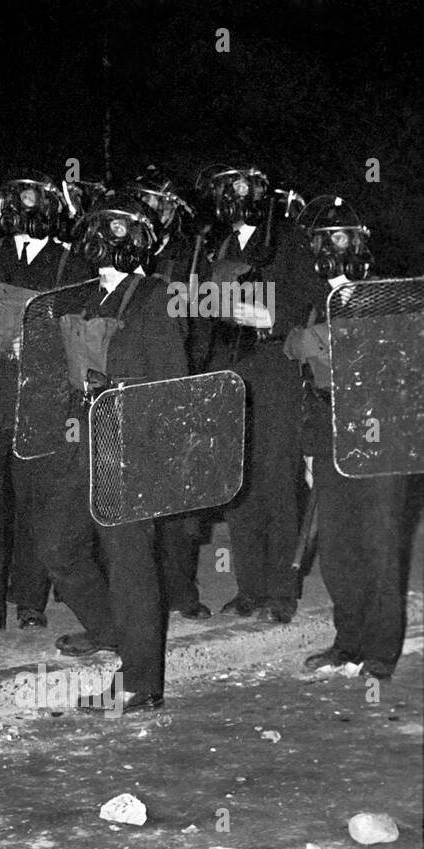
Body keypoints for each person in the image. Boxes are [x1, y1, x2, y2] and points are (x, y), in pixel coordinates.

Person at [36, 197, 188, 712]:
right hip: (85, 436)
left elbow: (173, 383)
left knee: (130, 563)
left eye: (120, 230)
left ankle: (142, 684)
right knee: (57, 542)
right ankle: (111, 629)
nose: (108, 240)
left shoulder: (155, 295)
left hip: (132, 438)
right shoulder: (83, 296)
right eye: (101, 229)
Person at [0, 170, 91, 634]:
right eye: (22, 207)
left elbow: (80, 335)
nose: (30, 216)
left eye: (40, 209)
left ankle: (30, 601)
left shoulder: (75, 264)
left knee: (35, 501)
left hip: (41, 393)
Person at [285, 197, 409, 680]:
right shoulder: (321, 301)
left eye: (342, 237)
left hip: (381, 437)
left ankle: (381, 651)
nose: (333, 248)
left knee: (379, 547)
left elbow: (369, 356)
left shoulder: (386, 296)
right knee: (338, 552)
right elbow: (300, 361)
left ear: (359, 243)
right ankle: (349, 641)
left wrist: (312, 340)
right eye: (325, 239)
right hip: (331, 434)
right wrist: (311, 449)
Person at [199, 164, 308, 624]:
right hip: (232, 367)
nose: (236, 196)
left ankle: (281, 592)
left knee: (279, 482)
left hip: (275, 365)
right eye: (229, 189)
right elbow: (202, 304)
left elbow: (310, 293)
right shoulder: (219, 245)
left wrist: (273, 318)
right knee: (238, 482)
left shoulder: (288, 237)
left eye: (245, 188)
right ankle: (250, 588)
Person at [126, 170, 213, 621]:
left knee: (180, 502)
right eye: (142, 200)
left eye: (157, 202)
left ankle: (184, 591)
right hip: (132, 382)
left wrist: (187, 381)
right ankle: (141, 593)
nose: (149, 208)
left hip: (178, 378)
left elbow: (198, 324)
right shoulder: (125, 248)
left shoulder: (188, 253)